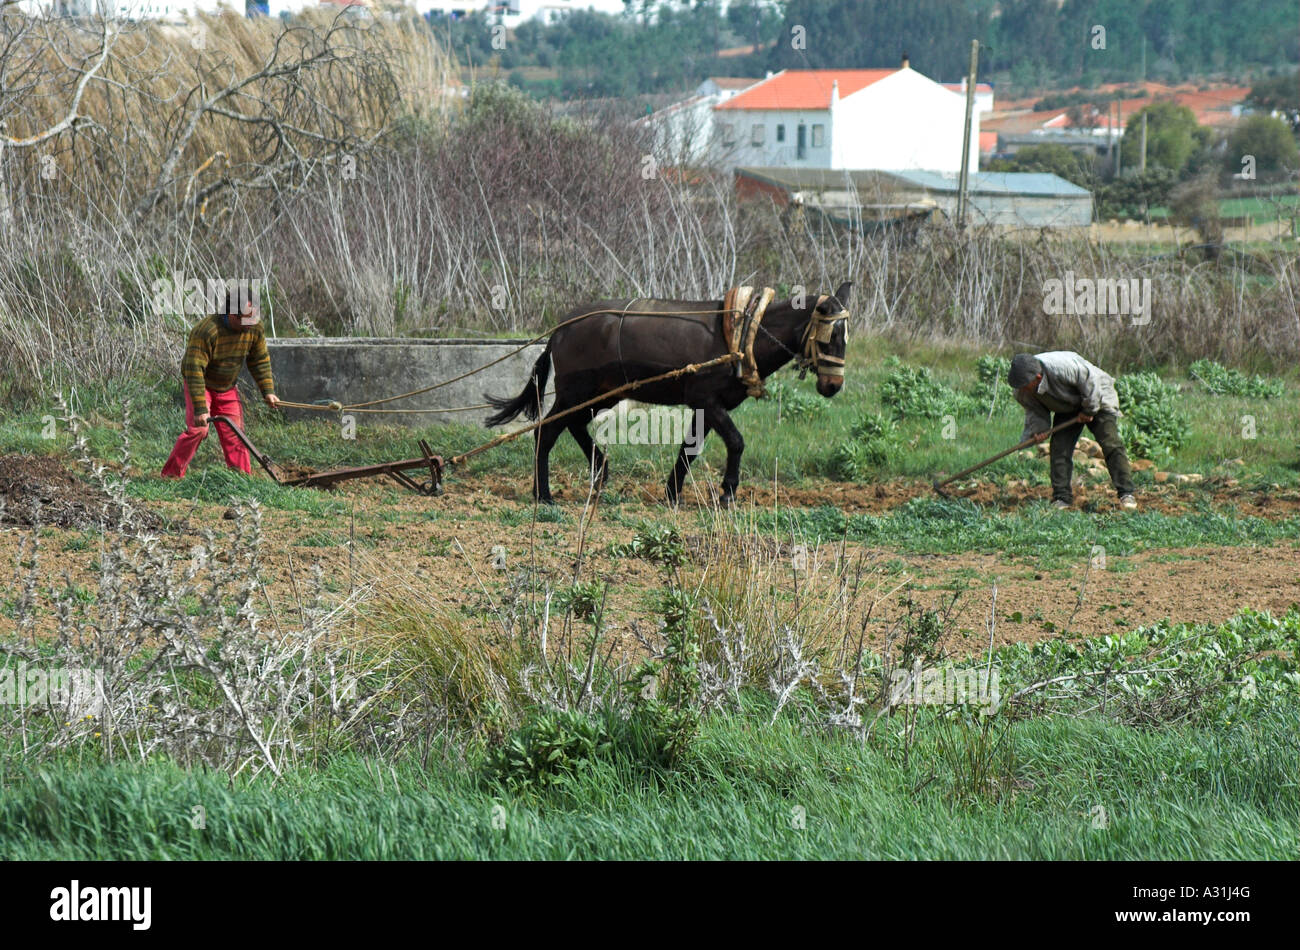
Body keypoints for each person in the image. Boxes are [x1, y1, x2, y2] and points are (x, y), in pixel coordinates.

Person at [161, 287, 280, 478]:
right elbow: (194, 371)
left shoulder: (254, 327)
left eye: (254, 316)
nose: (252, 322)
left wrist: (268, 391)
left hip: (227, 387)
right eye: (247, 318)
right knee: (199, 430)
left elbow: (259, 359)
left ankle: (241, 479)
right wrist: (201, 408)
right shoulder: (207, 331)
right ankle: (170, 476)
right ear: (232, 314)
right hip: (201, 384)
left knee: (235, 435)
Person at [1007, 351, 1136, 511]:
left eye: (1025, 386)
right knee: (1059, 448)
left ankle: (1126, 493)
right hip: (1067, 405)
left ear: (1038, 378)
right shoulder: (1022, 389)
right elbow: (1035, 411)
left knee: (1110, 443)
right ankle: (1062, 498)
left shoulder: (1063, 368)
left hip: (1098, 396)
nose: (1022, 390)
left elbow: (1090, 381)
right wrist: (1039, 431)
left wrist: (1089, 410)